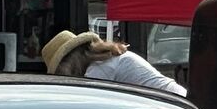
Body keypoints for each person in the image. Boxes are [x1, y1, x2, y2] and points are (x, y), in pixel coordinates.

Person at [42, 29, 186, 96]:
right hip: (174, 101)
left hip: (174, 105)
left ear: (70, 61)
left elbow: (88, 104)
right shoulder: (107, 59)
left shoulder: (99, 69)